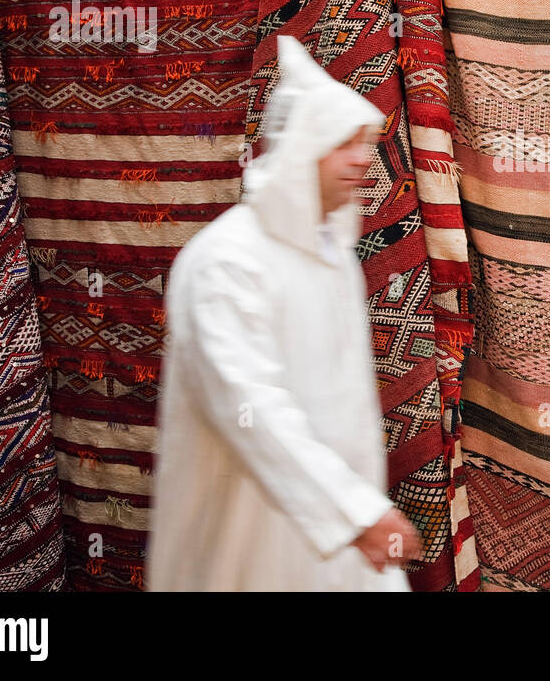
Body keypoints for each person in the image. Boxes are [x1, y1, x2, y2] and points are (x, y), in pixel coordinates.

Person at [147, 34, 422, 591]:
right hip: (247, 543)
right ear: (302, 146)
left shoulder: (331, 257)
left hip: (336, 543)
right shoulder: (224, 264)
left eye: (366, 142)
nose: (363, 159)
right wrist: (354, 513)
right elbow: (250, 404)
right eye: (345, 142)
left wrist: (357, 511)